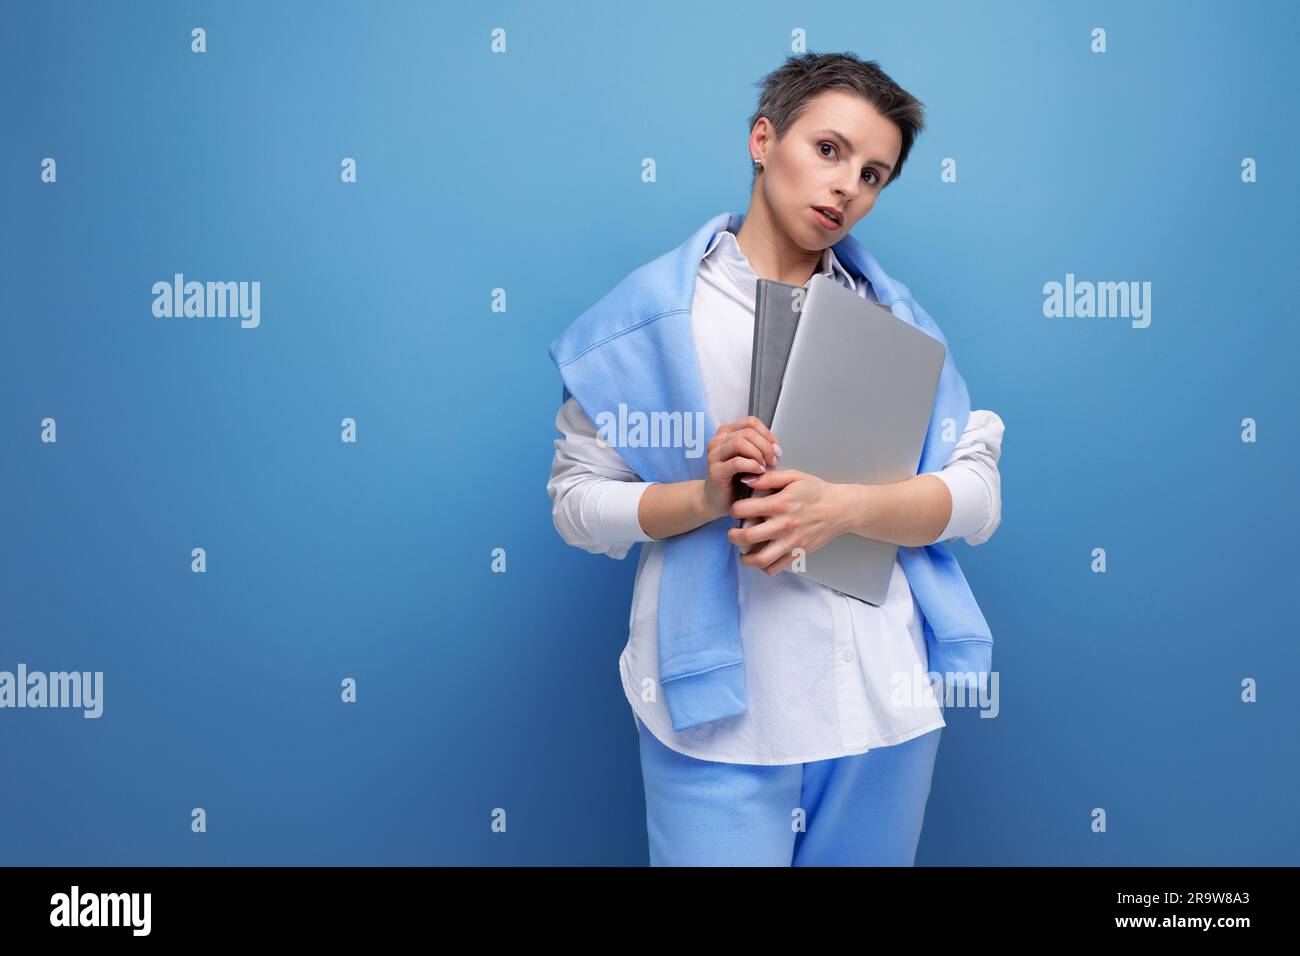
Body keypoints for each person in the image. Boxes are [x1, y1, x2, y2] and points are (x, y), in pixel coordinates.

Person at [546, 51, 1004, 866]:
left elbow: (976, 494)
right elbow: (577, 506)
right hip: (715, 709)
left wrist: (848, 508)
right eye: (829, 150)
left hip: (880, 704)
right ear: (764, 139)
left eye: (872, 174)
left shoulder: (895, 325)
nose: (846, 188)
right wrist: (702, 497)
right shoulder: (654, 321)